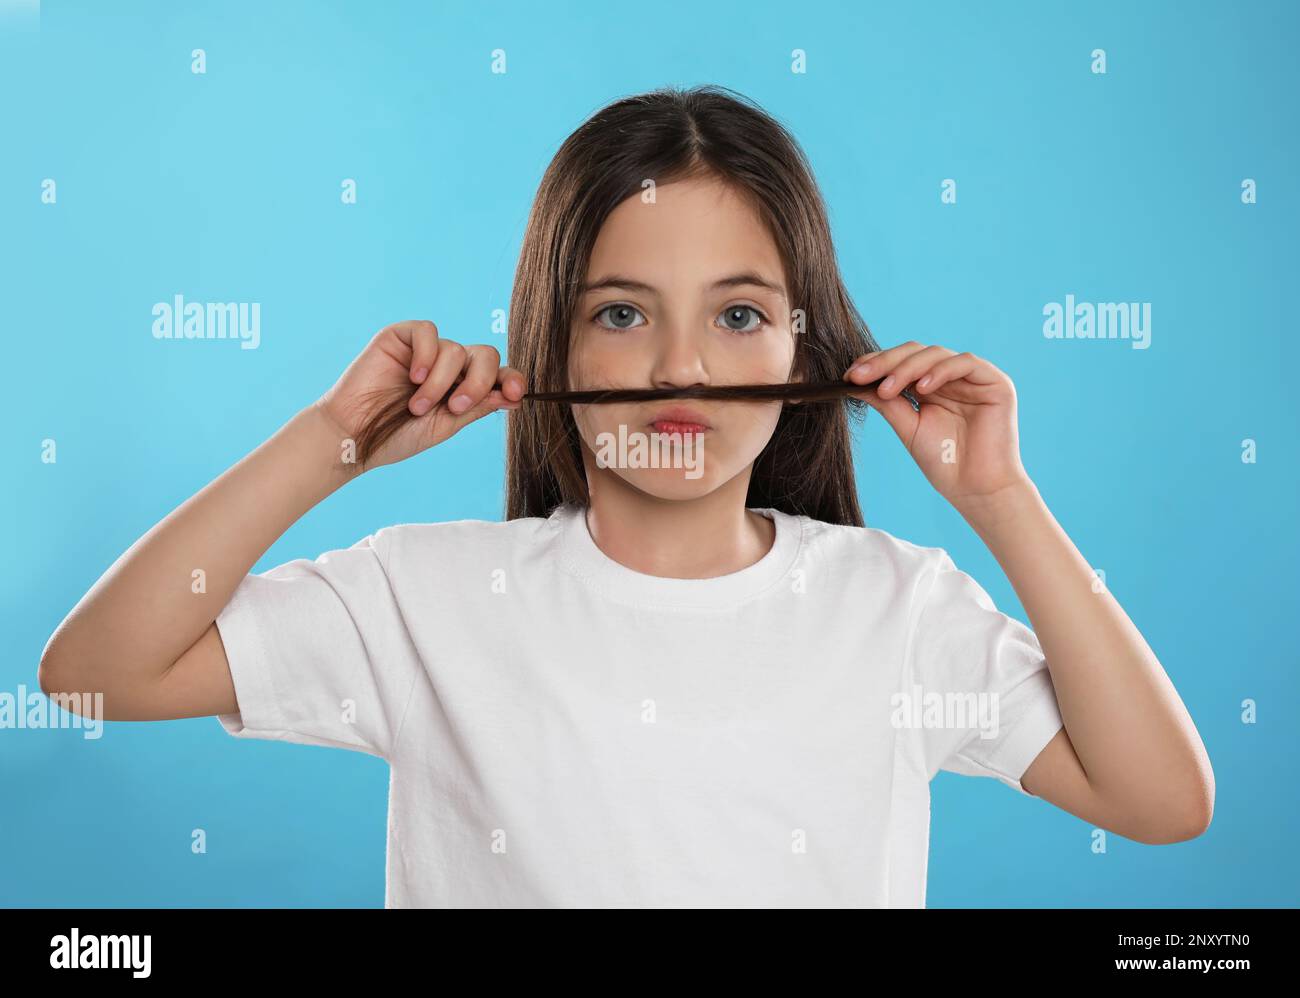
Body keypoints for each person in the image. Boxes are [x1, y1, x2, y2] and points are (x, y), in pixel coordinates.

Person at [39, 85, 1214, 907]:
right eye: (620, 312)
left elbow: (1159, 798)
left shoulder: (898, 608)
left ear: (807, 345)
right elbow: (93, 671)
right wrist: (326, 444)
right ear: (555, 339)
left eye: (739, 313)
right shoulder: (425, 593)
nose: (677, 364)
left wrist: (1000, 500)